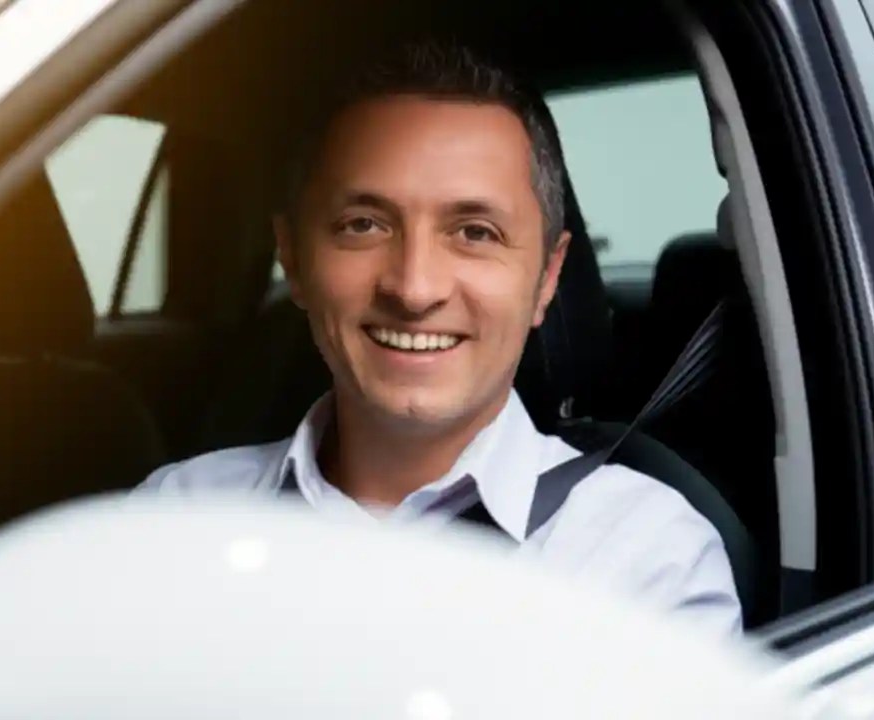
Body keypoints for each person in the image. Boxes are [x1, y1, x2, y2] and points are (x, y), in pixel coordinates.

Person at [139, 40, 741, 635]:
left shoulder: (646, 565)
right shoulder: (171, 524)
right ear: (294, 259)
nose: (415, 287)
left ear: (547, 278)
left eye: (475, 232)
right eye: (364, 225)